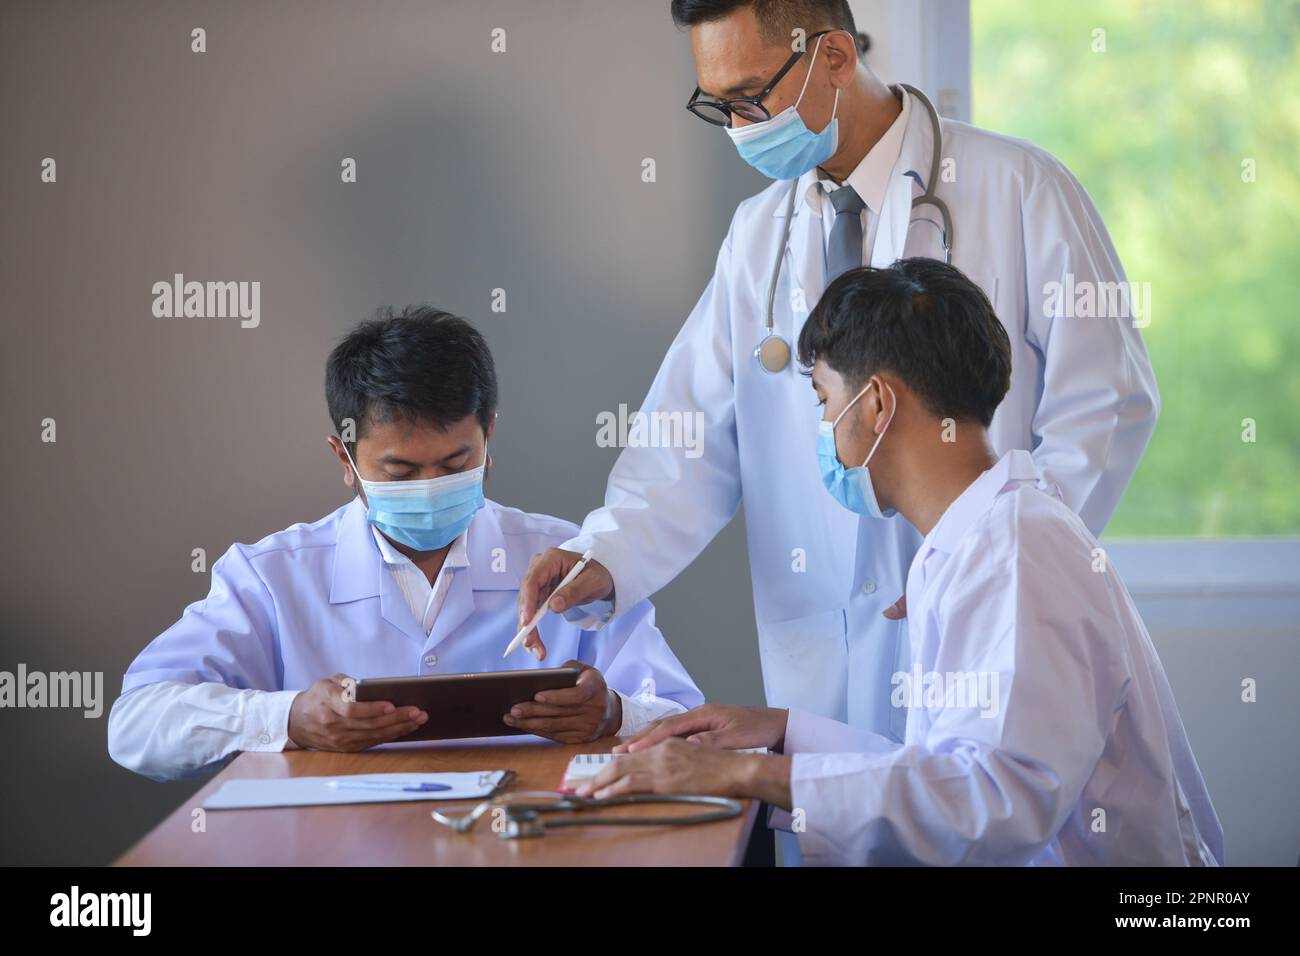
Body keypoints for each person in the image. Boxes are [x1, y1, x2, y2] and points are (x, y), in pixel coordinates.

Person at [517, 0, 1158, 748]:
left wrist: (997, 561)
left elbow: (1106, 405)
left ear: (833, 58)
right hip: (822, 655)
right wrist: (606, 553)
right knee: (843, 810)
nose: (740, 126)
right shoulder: (760, 235)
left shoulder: (1022, 189)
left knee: (988, 819)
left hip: (987, 621)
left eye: (753, 94)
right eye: (718, 106)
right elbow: (687, 437)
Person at [576, 260, 1222, 867]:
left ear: (878, 405)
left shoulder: (1016, 550)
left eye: (825, 399)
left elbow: (997, 804)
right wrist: (782, 734)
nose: (825, 425)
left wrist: (750, 774)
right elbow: (949, 766)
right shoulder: (976, 540)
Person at [108, 308, 701, 782]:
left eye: (455, 461)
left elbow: (690, 724)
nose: (431, 488)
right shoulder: (271, 577)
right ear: (345, 458)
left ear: (488, 436)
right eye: (399, 471)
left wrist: (615, 713)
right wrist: (287, 717)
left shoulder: (571, 562)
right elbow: (136, 725)